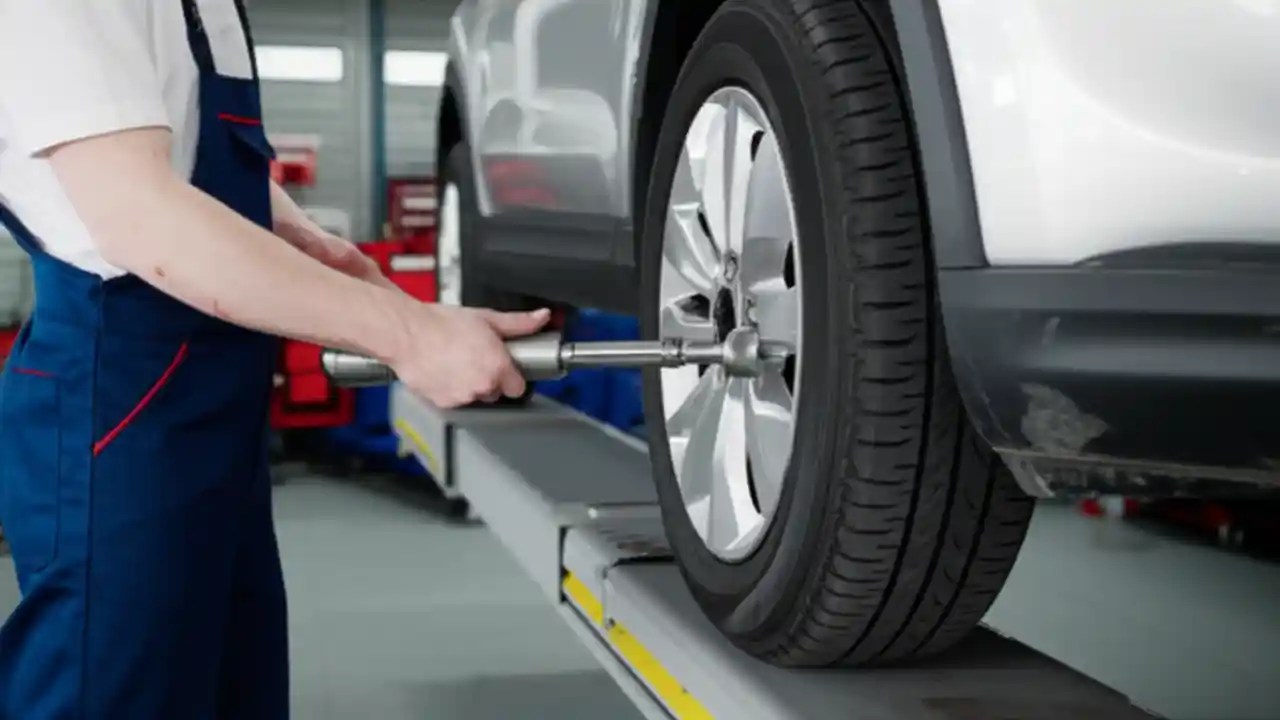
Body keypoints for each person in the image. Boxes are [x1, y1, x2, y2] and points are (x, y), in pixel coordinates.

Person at [0, 1, 547, 717]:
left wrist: (302, 238)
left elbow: (184, 146)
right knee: (112, 692)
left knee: (229, 689)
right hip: (119, 408)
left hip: (208, 415)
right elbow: (140, 215)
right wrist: (406, 334)